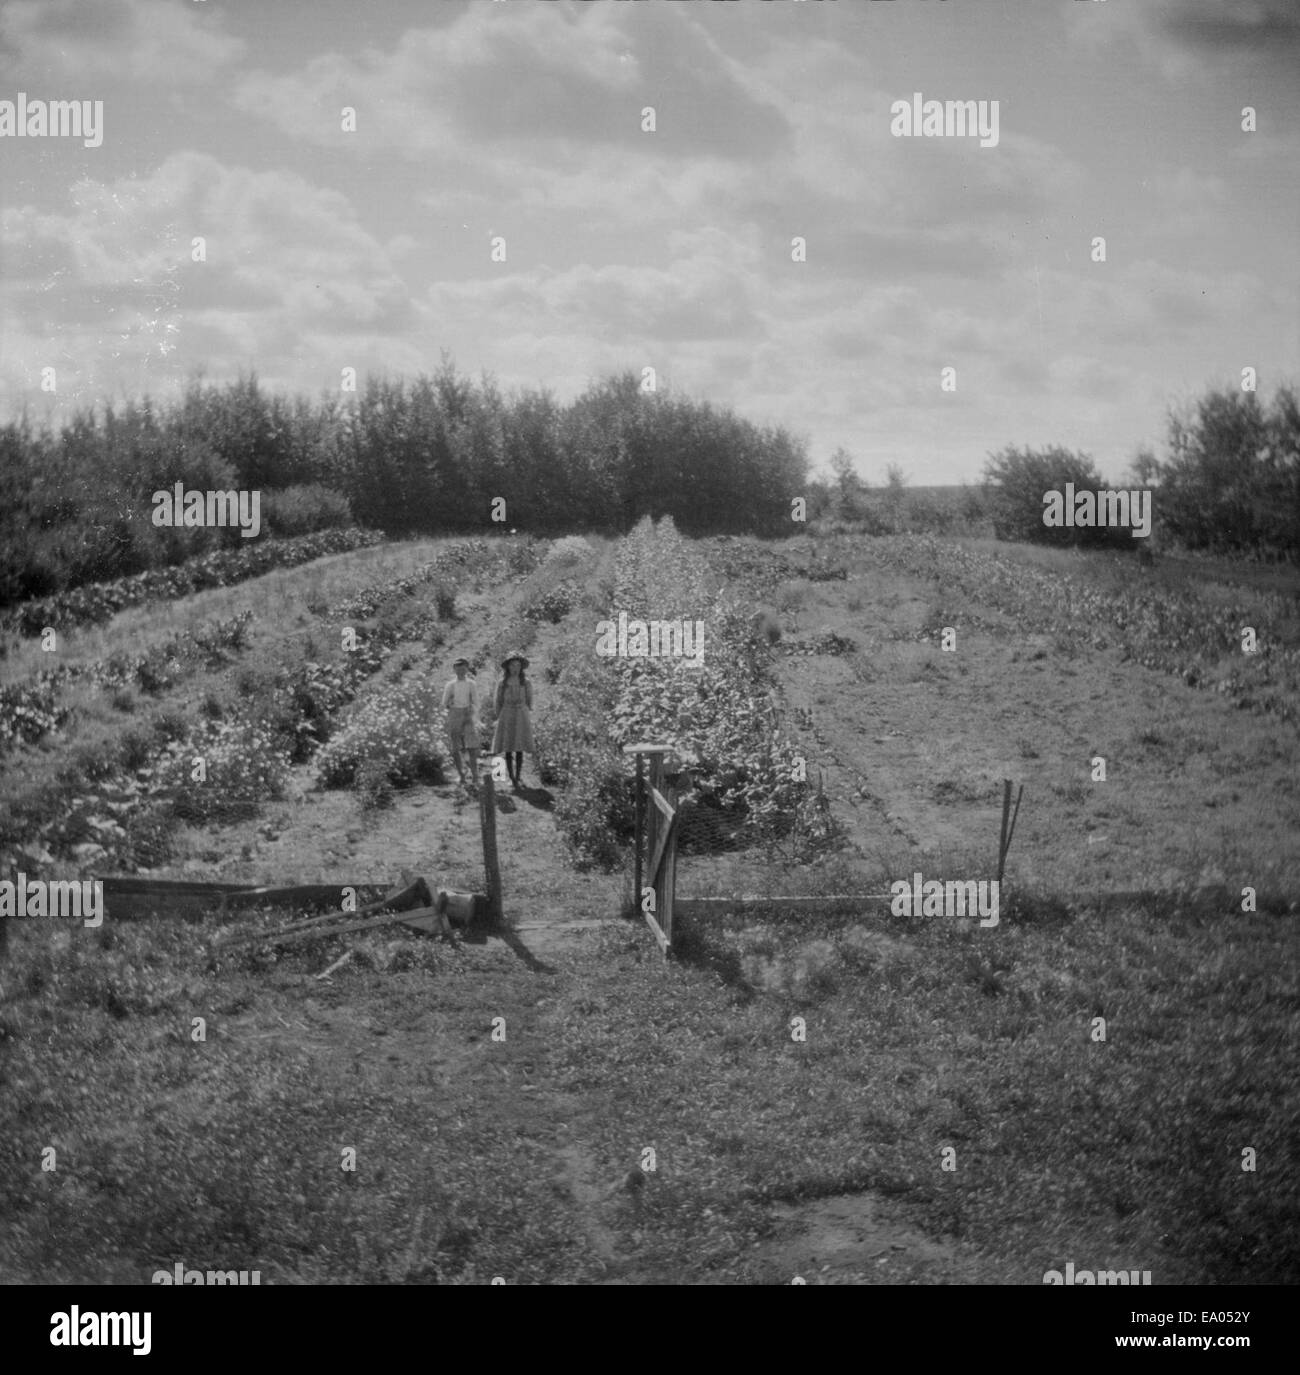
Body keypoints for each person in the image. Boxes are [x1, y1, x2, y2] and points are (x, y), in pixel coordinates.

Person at [491, 652, 535, 790]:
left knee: (519, 746)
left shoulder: (525, 682)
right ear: (508, 667)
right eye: (512, 665)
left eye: (518, 665)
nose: (515, 668)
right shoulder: (503, 682)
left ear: (521, 667)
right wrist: (499, 715)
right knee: (508, 747)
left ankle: (518, 774)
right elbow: (498, 700)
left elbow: (529, 699)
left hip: (520, 714)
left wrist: (526, 709)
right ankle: (511, 777)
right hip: (507, 713)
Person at [441, 656, 480, 789]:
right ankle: (462, 775)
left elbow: (476, 701)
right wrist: (450, 703)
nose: (461, 672)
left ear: (467, 669)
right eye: (458, 669)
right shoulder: (450, 685)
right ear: (454, 670)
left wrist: (472, 711)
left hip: (467, 714)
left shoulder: (471, 684)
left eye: (463, 669)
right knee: (456, 747)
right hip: (455, 714)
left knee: (471, 746)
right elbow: (444, 703)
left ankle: (475, 776)